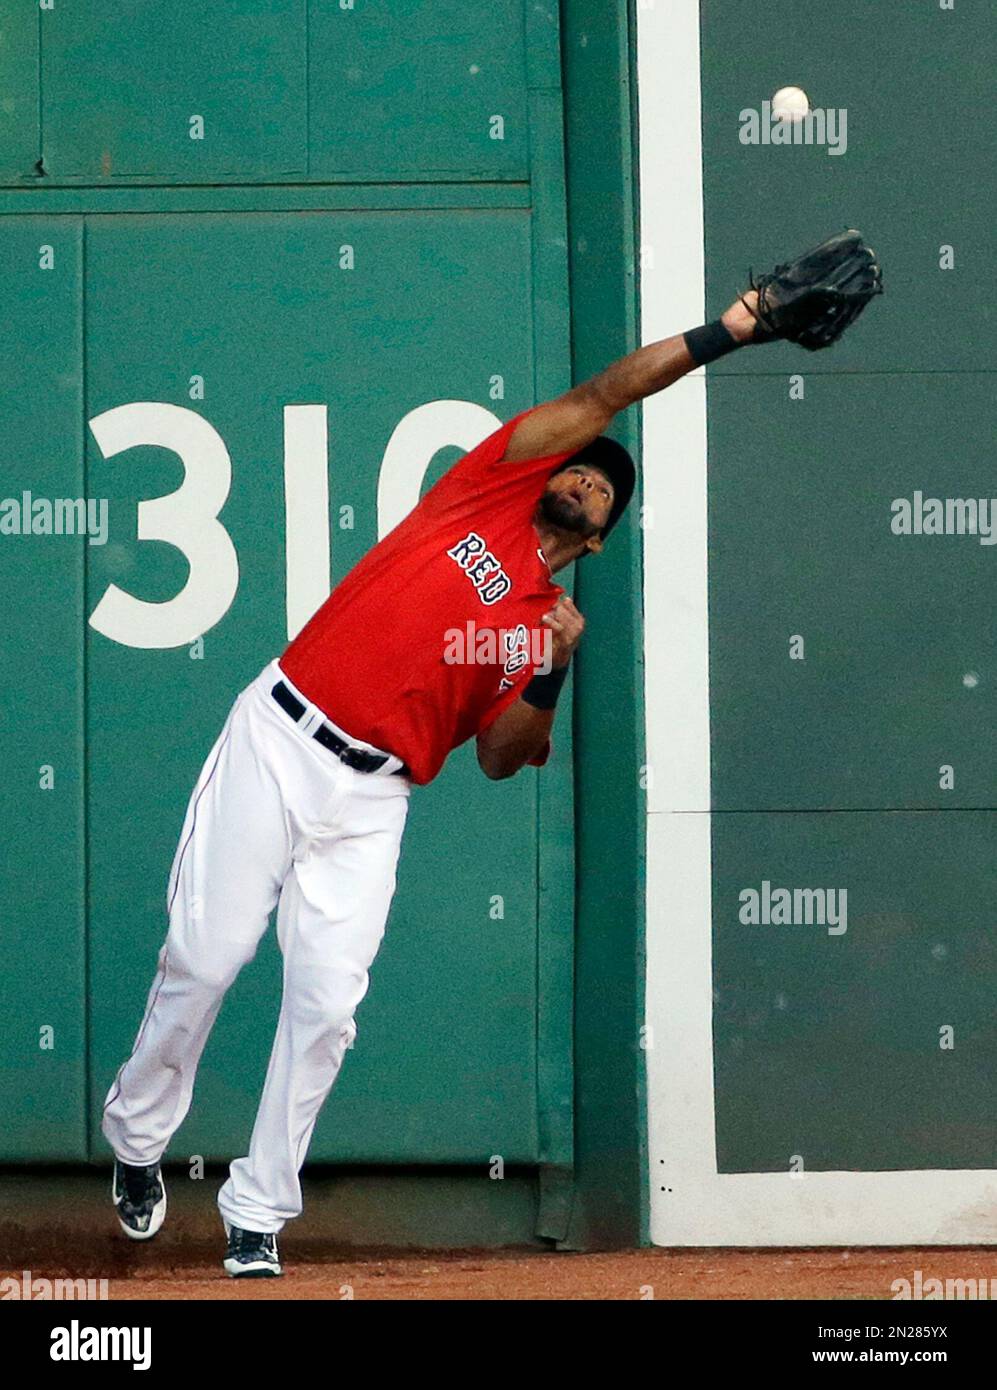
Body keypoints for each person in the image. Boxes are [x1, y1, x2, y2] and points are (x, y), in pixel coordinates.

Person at [102, 292, 764, 1277]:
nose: (585, 479)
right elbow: (605, 391)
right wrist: (729, 334)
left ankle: (258, 1207)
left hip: (373, 799)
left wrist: (548, 671)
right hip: (280, 736)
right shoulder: (483, 492)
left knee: (328, 1003)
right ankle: (139, 1140)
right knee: (205, 956)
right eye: (580, 467)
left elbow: (501, 758)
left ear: (602, 535)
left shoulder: (546, 625)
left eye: (602, 490)